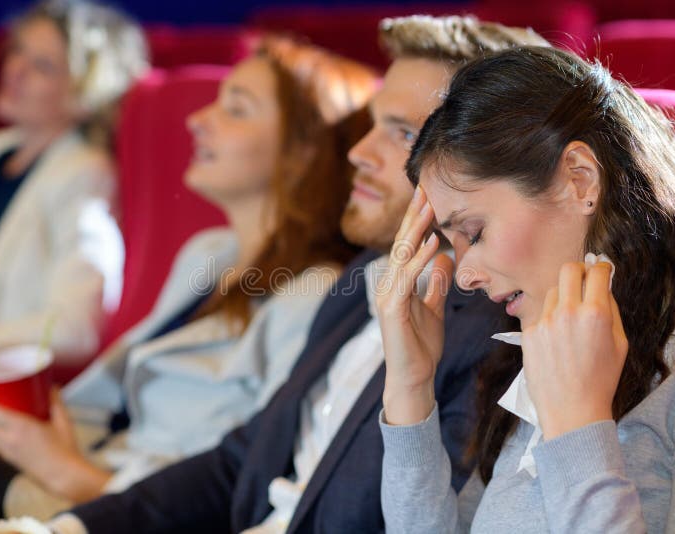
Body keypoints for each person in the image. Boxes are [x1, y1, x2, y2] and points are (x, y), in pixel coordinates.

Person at [30, 16, 549, 534]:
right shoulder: (363, 275)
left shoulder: (494, 334)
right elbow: (241, 461)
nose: (357, 153)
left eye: (404, 133)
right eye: (372, 124)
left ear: (477, 165)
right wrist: (69, 528)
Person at [0, 36, 376, 532]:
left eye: (236, 109)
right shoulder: (209, 253)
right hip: (82, 477)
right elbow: (116, 391)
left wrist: (67, 473)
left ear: (304, 152)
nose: (197, 120)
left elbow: (242, 476)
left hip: (119, 512)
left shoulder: (314, 294)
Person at [378, 45, 675, 533]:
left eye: (475, 232)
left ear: (579, 180)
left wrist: (578, 425)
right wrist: (410, 386)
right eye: (449, 242)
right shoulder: (551, 338)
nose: (463, 276)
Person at [0, 0, 147, 360]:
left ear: (85, 94)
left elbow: (75, 329)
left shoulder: (85, 172)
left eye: (43, 66)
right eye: (18, 50)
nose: (13, 70)